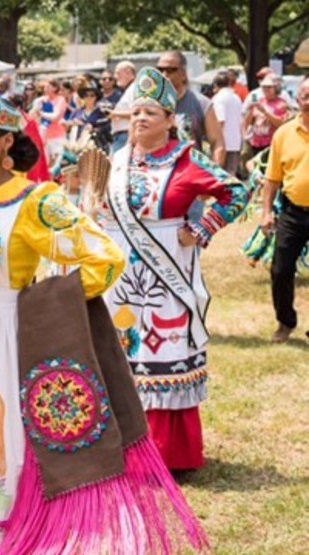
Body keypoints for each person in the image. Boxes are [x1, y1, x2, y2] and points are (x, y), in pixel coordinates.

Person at [0, 72, 208, 555]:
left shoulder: (35, 202)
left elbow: (105, 257)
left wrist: (44, 306)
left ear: (6, 144)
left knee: (0, 445)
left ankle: (9, 537)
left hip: (9, 342)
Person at [102, 67, 250, 470]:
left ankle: (165, 453)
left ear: (171, 120)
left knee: (164, 350)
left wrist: (203, 228)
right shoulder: (115, 162)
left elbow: (237, 192)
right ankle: (119, 447)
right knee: (119, 349)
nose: (140, 119)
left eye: (150, 112)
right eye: (135, 112)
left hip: (167, 269)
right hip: (119, 274)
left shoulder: (187, 161)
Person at [261, 77, 309, 343]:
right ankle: (285, 322)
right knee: (280, 270)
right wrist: (266, 212)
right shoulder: (284, 134)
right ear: (298, 100)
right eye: (305, 96)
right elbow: (272, 179)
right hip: (293, 212)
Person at [156, 51, 225, 166]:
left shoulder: (202, 103)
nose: (164, 74)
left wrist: (213, 176)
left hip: (191, 172)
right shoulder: (149, 104)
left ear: (183, 74)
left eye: (171, 70)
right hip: (158, 174)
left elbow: (218, 143)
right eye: (160, 70)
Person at [244, 74, 291, 157]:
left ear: (276, 88)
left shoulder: (282, 104)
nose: (265, 89)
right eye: (263, 87)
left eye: (269, 87)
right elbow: (248, 120)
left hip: (272, 144)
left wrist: (265, 112)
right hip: (256, 143)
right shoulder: (260, 101)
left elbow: (281, 123)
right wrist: (245, 134)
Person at [212, 72, 244, 175]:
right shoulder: (236, 98)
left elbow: (220, 120)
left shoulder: (218, 98)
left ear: (216, 85)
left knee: (217, 174)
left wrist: (215, 141)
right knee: (231, 173)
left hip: (222, 143)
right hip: (235, 142)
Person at [31, 79, 68, 163]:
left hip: (57, 137)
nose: (45, 89)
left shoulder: (60, 100)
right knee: (46, 164)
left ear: (55, 88)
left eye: (48, 86)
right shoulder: (41, 100)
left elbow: (55, 117)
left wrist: (41, 113)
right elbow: (33, 115)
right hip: (43, 137)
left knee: (58, 163)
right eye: (44, 87)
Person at [107, 61, 137, 154]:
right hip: (121, 137)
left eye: (118, 73)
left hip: (125, 136)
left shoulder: (134, 88)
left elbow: (137, 113)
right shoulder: (130, 89)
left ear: (128, 72)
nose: (116, 77)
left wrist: (114, 114)